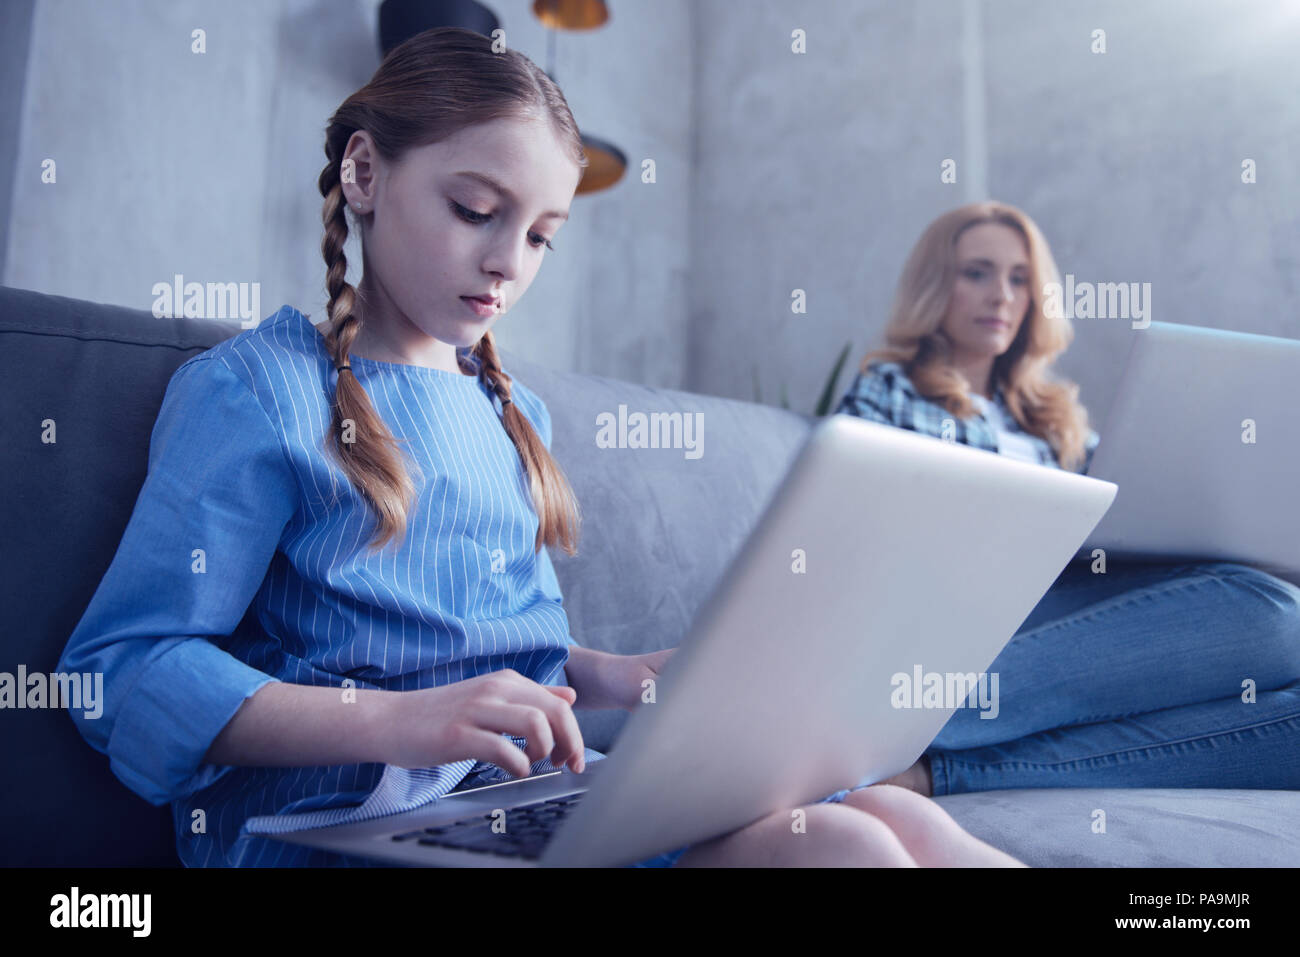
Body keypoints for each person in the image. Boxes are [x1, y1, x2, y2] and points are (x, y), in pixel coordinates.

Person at [57, 29, 1021, 868]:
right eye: (476, 209)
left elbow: (522, 658)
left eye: (541, 236)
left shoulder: (509, 409)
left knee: (900, 813)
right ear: (364, 173)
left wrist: (631, 677)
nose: (506, 262)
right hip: (334, 818)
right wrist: (405, 720)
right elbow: (120, 668)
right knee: (847, 848)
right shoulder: (261, 389)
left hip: (508, 801)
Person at [836, 201, 1300, 797]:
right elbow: (851, 533)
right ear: (935, 286)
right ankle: (867, 717)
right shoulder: (889, 393)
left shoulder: (1060, 425)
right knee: (1272, 615)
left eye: (1019, 278)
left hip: (1083, 601)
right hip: (965, 609)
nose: (1001, 294)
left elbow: (1129, 521)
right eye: (977, 272)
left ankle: (928, 773)